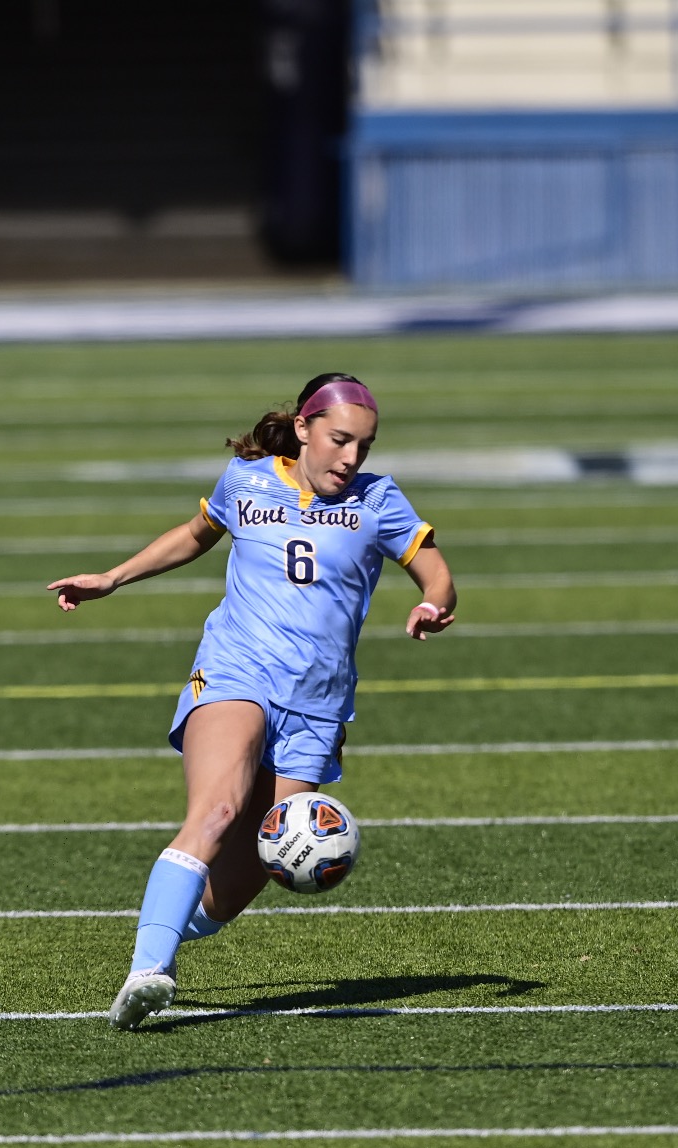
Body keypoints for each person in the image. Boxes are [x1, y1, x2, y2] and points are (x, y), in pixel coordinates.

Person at [47, 374, 458, 1030]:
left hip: (317, 706)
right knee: (216, 809)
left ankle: (170, 939)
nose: (352, 458)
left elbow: (433, 567)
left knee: (241, 883)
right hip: (236, 672)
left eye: (365, 445)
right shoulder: (248, 478)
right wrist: (113, 577)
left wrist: (435, 602)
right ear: (304, 429)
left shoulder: (379, 499)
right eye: (340, 440)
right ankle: (145, 971)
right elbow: (194, 533)